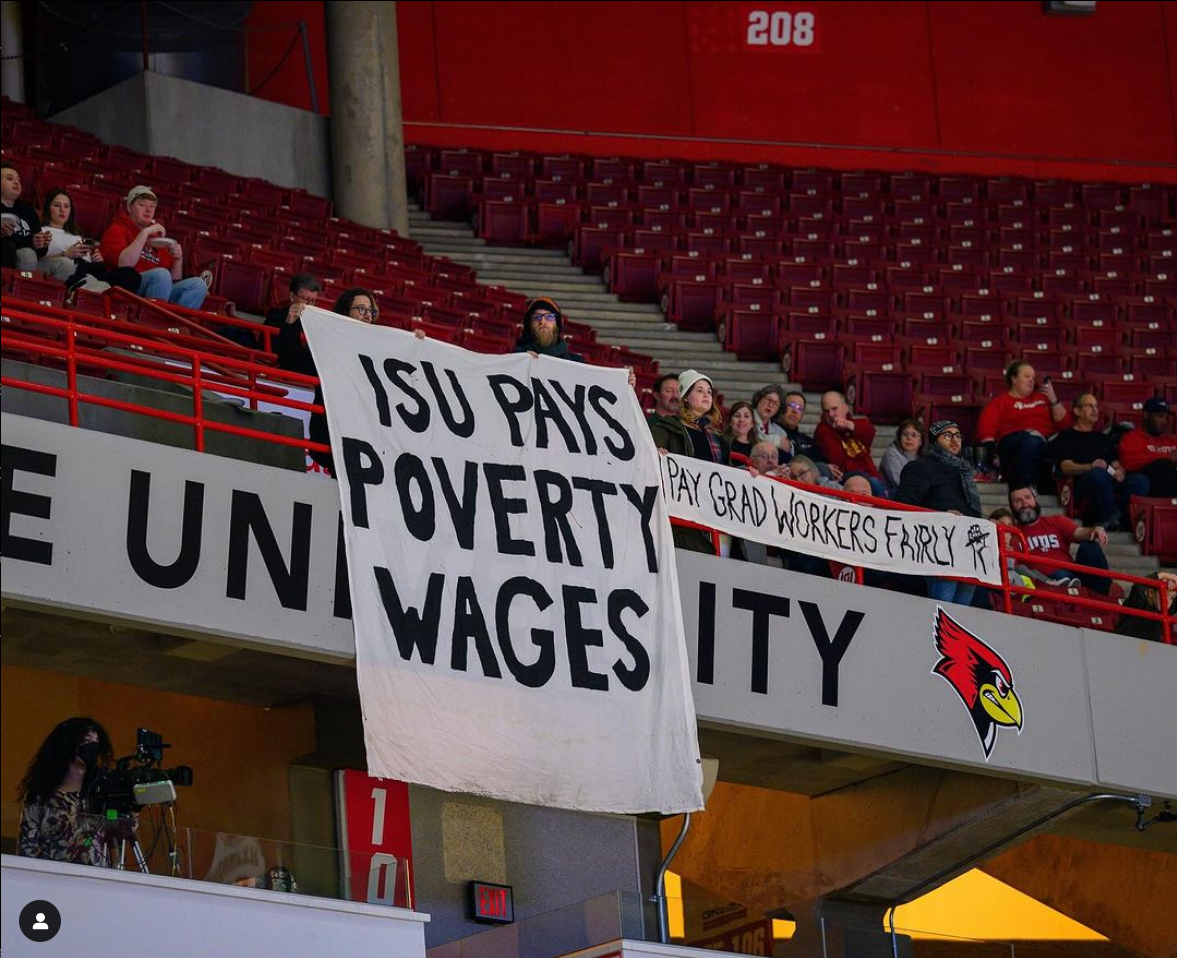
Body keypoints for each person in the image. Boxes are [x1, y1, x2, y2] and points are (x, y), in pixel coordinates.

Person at [894, 420, 983, 605]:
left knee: (962, 610)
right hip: (936, 546)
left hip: (966, 550)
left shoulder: (965, 473)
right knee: (943, 607)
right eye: (947, 435)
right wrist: (940, 514)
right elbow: (902, 505)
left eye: (958, 436)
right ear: (935, 441)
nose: (954, 440)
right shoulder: (920, 467)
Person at [648, 369, 729, 553]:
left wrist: (747, 474)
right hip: (683, 515)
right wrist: (657, 453)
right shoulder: (668, 427)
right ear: (685, 397)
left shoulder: (719, 438)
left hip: (713, 511)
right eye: (699, 390)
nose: (706, 395)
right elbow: (649, 454)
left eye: (709, 391)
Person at [17, 717, 114, 865]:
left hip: (95, 880)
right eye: (87, 741)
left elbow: (117, 831)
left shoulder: (99, 792)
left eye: (96, 742)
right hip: (53, 879)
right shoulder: (42, 796)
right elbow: (26, 846)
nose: (92, 747)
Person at [99, 185, 208, 309]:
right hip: (129, 287)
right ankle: (154, 322)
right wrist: (144, 233)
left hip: (159, 290)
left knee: (199, 284)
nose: (148, 210)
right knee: (161, 275)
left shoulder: (157, 238)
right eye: (142, 205)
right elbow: (124, 264)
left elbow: (173, 280)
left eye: (152, 206)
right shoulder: (117, 229)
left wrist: (178, 259)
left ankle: (176, 325)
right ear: (129, 207)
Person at [1048, 393, 1145, 531]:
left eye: (1096, 406)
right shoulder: (1066, 436)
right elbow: (1065, 467)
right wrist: (1090, 466)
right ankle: (1111, 517)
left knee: (1141, 481)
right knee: (1097, 474)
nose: (1095, 410)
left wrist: (1119, 471)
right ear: (1077, 411)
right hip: (1082, 484)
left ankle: (1118, 518)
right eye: (1090, 406)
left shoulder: (1103, 438)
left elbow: (1115, 463)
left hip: (1107, 479)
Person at [977, 361, 1068, 491]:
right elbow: (987, 433)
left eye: (1033, 377)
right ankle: (1024, 489)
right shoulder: (999, 403)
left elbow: (1064, 424)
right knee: (1031, 441)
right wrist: (992, 455)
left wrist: (1053, 399)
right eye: (1026, 376)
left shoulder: (1043, 399)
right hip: (1014, 443)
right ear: (1014, 379)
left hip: (1045, 442)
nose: (1031, 380)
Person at [35, 189, 143, 293]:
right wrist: (65, 254)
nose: (62, 210)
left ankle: (114, 301)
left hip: (90, 269)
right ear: (48, 208)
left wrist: (96, 258)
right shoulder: (42, 231)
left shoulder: (76, 235)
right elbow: (38, 261)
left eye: (66, 206)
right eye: (57, 205)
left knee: (130, 275)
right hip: (71, 272)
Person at [1009, 485, 1111, 594]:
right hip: (1047, 581)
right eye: (1018, 501)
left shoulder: (1056, 521)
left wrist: (1094, 530)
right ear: (1011, 508)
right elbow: (1016, 567)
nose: (1025, 503)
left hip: (1073, 574)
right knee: (1059, 574)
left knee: (1090, 547)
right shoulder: (1012, 534)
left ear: (1035, 499)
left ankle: (1104, 595)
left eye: (1028, 497)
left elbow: (1079, 533)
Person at [814, 390, 886, 497]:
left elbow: (870, 431)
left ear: (845, 408)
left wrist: (849, 425)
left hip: (871, 475)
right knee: (874, 484)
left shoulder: (854, 424)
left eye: (834, 409)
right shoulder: (822, 430)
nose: (831, 415)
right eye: (826, 411)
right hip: (849, 477)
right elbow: (840, 462)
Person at [264, 272, 323, 376]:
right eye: (305, 299)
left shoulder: (315, 322)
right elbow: (275, 350)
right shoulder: (275, 316)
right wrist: (289, 322)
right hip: (282, 369)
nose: (308, 305)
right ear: (292, 296)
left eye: (312, 301)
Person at [1118, 397, 1177, 498]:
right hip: (1151, 484)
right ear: (1146, 415)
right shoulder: (1131, 437)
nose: (1165, 422)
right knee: (1163, 465)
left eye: (1167, 418)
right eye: (1160, 416)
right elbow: (1128, 462)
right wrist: (1166, 457)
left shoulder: (1171, 440)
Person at [1, 164, 49, 269]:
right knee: (27, 254)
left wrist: (41, 244)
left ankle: (27, 282)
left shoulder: (28, 211)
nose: (16, 182)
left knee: (64, 264)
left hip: (28, 262)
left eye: (19, 180)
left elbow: (40, 252)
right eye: (10, 178)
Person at [514, 296, 584, 362]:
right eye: (537, 317)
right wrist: (520, 357)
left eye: (549, 317)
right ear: (529, 324)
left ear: (558, 323)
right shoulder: (516, 355)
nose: (543, 322)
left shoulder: (574, 361)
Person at [1114, 571, 1177, 643]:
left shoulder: (1167, 608)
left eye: (1172, 597)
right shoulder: (1138, 601)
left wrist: (1175, 581)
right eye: (1164, 595)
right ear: (1150, 593)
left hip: (1150, 649)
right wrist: (1166, 575)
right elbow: (1139, 585)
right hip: (1123, 644)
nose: (1168, 600)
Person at [880, 418, 924, 490]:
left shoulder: (925, 457)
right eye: (905, 434)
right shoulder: (891, 454)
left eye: (914, 435)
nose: (909, 438)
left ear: (921, 441)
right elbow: (900, 482)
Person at [750, 385, 791, 453]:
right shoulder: (745, 418)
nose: (770, 405)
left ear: (779, 409)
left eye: (775, 403)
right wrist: (778, 442)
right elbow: (754, 438)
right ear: (759, 398)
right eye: (768, 399)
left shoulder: (781, 432)